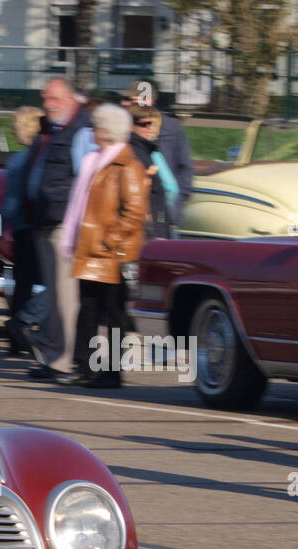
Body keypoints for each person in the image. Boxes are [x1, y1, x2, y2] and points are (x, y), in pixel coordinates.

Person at [57, 103, 148, 389]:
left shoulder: (127, 165)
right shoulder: (94, 161)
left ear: (106, 131)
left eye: (96, 127)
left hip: (112, 254)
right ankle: (83, 367)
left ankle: (112, 372)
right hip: (90, 250)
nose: (93, 132)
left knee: (114, 313)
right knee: (88, 309)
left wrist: (110, 240)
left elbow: (134, 211)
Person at [23, 76, 94, 379]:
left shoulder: (81, 130)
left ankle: (65, 361)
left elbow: (86, 179)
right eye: (45, 98)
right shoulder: (53, 129)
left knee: (66, 297)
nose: (46, 105)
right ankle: (53, 358)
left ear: (69, 100)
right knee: (53, 296)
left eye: (52, 99)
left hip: (63, 223)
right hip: (44, 219)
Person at [2, 105, 46, 358]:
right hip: (38, 229)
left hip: (23, 229)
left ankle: (15, 337)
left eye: (16, 127)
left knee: (22, 285)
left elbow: (11, 201)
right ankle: (26, 325)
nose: (14, 132)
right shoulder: (41, 157)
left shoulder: (18, 160)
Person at [118, 81, 192, 226]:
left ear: (148, 101)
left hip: (166, 211)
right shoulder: (125, 125)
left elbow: (185, 166)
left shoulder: (171, 127)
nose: (124, 103)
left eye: (131, 100)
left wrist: (176, 200)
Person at [127, 104, 179, 240]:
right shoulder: (134, 154)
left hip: (157, 227)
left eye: (154, 124)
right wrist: (152, 231)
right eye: (145, 124)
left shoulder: (149, 151)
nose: (150, 128)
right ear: (131, 126)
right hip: (145, 232)